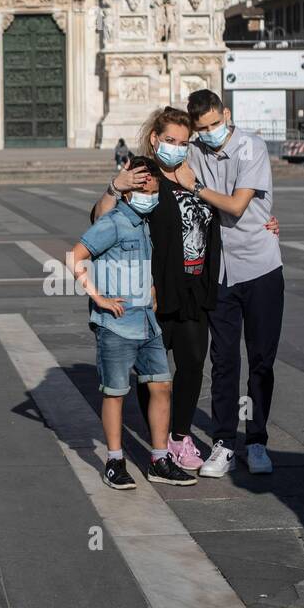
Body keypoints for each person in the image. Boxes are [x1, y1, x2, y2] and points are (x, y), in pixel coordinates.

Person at [164, 89, 283, 478]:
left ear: (226, 115)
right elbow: (164, 163)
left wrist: (195, 187)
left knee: (262, 358)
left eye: (216, 123)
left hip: (260, 265)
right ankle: (224, 442)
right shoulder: (194, 151)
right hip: (220, 272)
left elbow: (235, 205)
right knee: (224, 359)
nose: (212, 132)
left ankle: (258, 440)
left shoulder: (252, 147)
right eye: (204, 128)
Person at [68, 168, 197, 490]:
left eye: (155, 193)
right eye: (146, 192)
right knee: (115, 393)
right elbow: (75, 257)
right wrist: (99, 297)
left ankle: (159, 459)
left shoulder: (144, 225)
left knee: (161, 386)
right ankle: (114, 461)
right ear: (129, 192)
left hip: (146, 322)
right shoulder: (112, 223)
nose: (151, 198)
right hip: (116, 324)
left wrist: (151, 290)